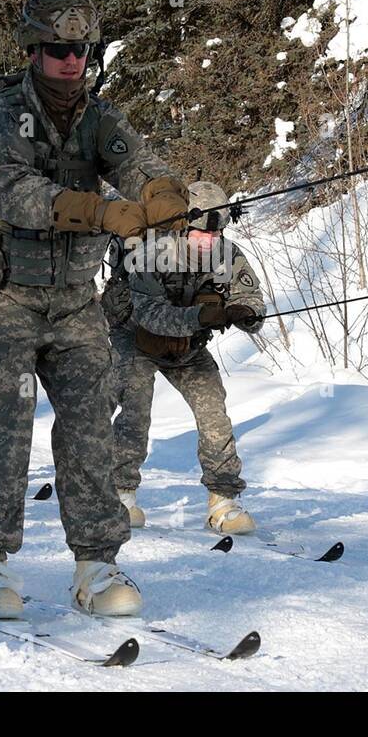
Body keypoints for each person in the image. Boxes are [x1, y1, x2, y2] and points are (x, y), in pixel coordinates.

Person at [0, 0, 188, 619]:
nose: (71, 60)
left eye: (81, 48)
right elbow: (12, 189)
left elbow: (137, 160)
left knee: (89, 428)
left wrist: (162, 192)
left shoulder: (99, 117)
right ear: (34, 49)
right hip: (2, 296)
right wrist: (102, 211)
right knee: (4, 422)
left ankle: (98, 563)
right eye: (58, 48)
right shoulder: (0, 115)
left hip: (76, 299)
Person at [105, 181, 265, 534]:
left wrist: (245, 314)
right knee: (135, 406)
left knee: (214, 410)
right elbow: (149, 314)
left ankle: (223, 501)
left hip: (188, 346)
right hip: (134, 337)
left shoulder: (225, 253)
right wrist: (201, 317)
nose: (207, 241)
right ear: (181, 224)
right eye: (199, 232)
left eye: (216, 232)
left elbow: (252, 298)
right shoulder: (147, 250)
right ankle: (120, 494)